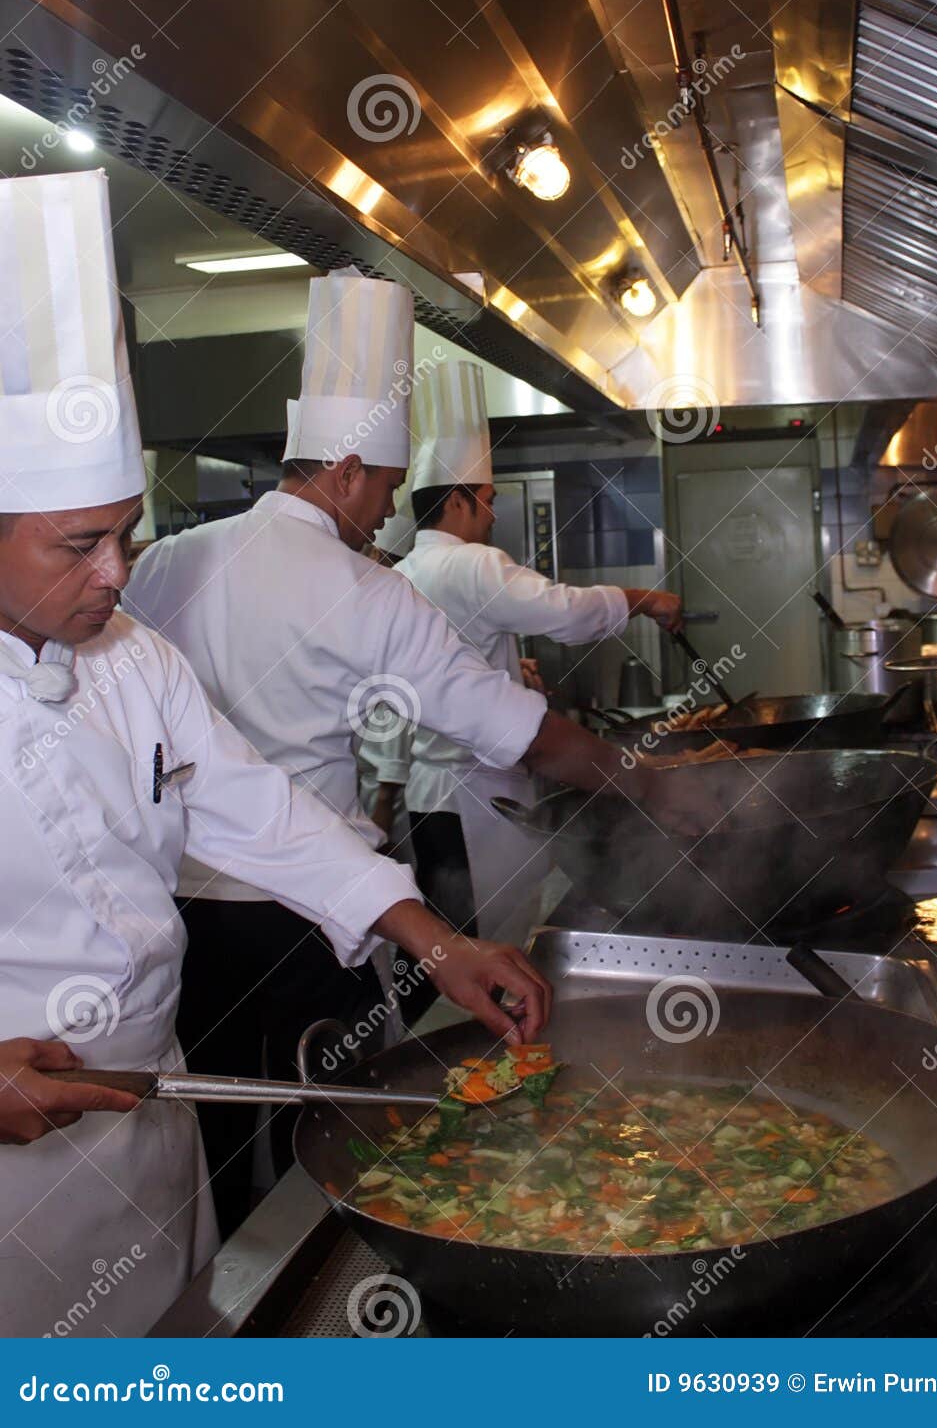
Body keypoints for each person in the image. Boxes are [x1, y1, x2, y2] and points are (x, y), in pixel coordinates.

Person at [0, 173, 548, 1336]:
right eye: (80, 543)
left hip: (154, 1127)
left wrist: (434, 943)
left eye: (129, 535)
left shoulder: (132, 657)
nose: (116, 572)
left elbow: (259, 810)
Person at [122, 272, 685, 1229]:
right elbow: (524, 735)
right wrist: (657, 788)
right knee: (349, 1129)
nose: (388, 515)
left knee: (219, 1134)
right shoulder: (366, 592)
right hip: (313, 915)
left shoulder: (175, 558)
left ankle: (241, 1295)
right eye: (383, 487)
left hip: (187, 910)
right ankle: (350, 1276)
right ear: (344, 472)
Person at [386, 358, 682, 950]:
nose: (493, 515)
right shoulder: (470, 563)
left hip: (423, 799)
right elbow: (565, 613)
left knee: (452, 944)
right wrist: (644, 598)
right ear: (461, 501)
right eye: (488, 499)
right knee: (496, 944)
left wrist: (505, 670)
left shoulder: (404, 571)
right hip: (477, 800)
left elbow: (443, 667)